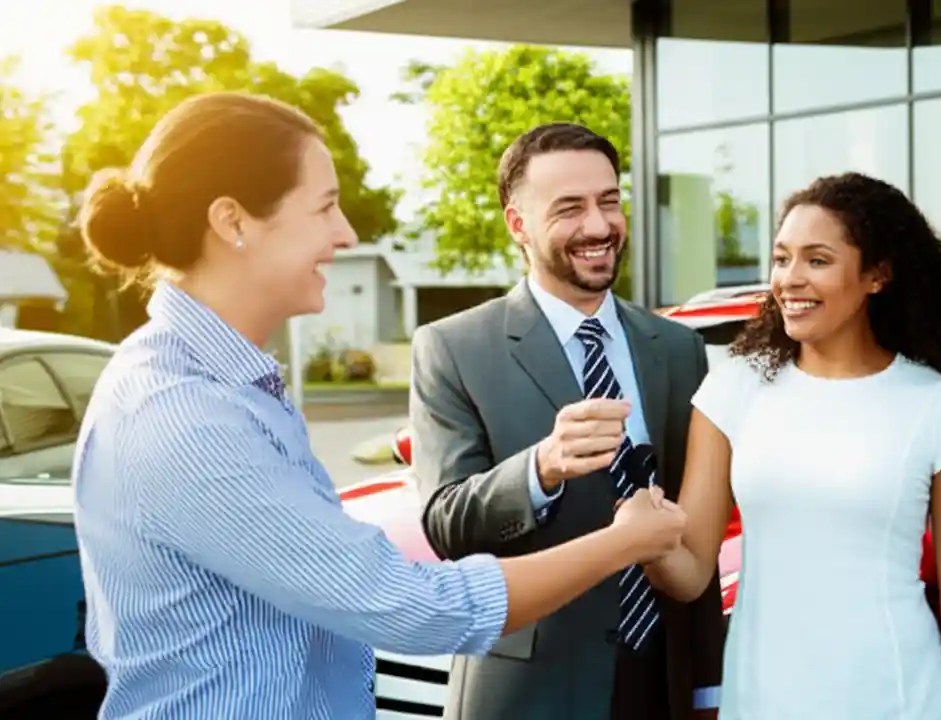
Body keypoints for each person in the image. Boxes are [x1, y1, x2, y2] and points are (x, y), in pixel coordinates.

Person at [71, 92, 687, 719]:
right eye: (325, 207)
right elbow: (410, 603)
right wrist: (623, 542)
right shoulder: (184, 415)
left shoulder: (230, 387)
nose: (346, 233)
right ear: (233, 222)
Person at [643, 172, 941, 719]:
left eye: (817, 260)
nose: (790, 279)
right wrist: (641, 532)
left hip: (899, 698)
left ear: (877, 275)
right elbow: (690, 572)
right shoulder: (733, 388)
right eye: (782, 258)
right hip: (763, 700)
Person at [411, 122, 724, 720]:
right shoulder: (453, 347)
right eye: (570, 208)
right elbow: (446, 524)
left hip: (663, 682)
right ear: (518, 224)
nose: (600, 227)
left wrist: (707, 686)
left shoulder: (679, 348)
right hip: (532, 693)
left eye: (609, 202)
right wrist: (541, 468)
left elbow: (697, 534)